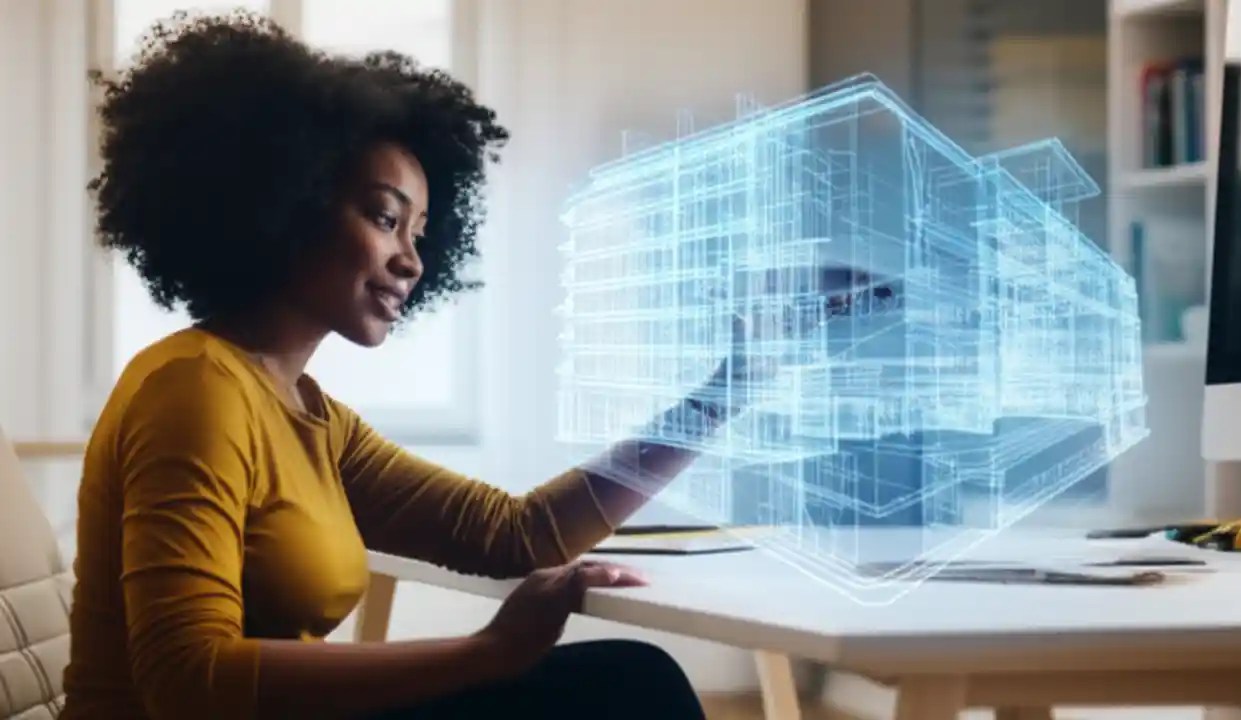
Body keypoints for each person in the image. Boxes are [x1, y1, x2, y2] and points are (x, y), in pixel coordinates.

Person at [61, 10, 738, 720]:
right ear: (288, 201)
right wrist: (488, 652)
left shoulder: (310, 416)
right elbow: (188, 683)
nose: (412, 261)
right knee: (630, 687)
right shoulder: (196, 390)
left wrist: (733, 384)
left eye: (419, 233)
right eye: (385, 219)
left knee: (628, 679)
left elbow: (516, 533)